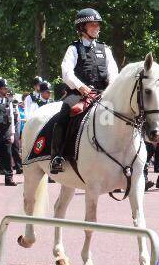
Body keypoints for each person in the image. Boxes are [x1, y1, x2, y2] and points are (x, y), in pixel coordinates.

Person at [50, 9, 119, 174]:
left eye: (98, 24)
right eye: (92, 24)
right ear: (82, 28)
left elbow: (114, 73)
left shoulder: (105, 50)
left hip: (103, 94)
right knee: (66, 111)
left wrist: (110, 89)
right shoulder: (73, 49)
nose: (97, 27)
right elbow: (66, 72)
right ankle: (57, 156)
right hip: (79, 93)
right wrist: (81, 87)